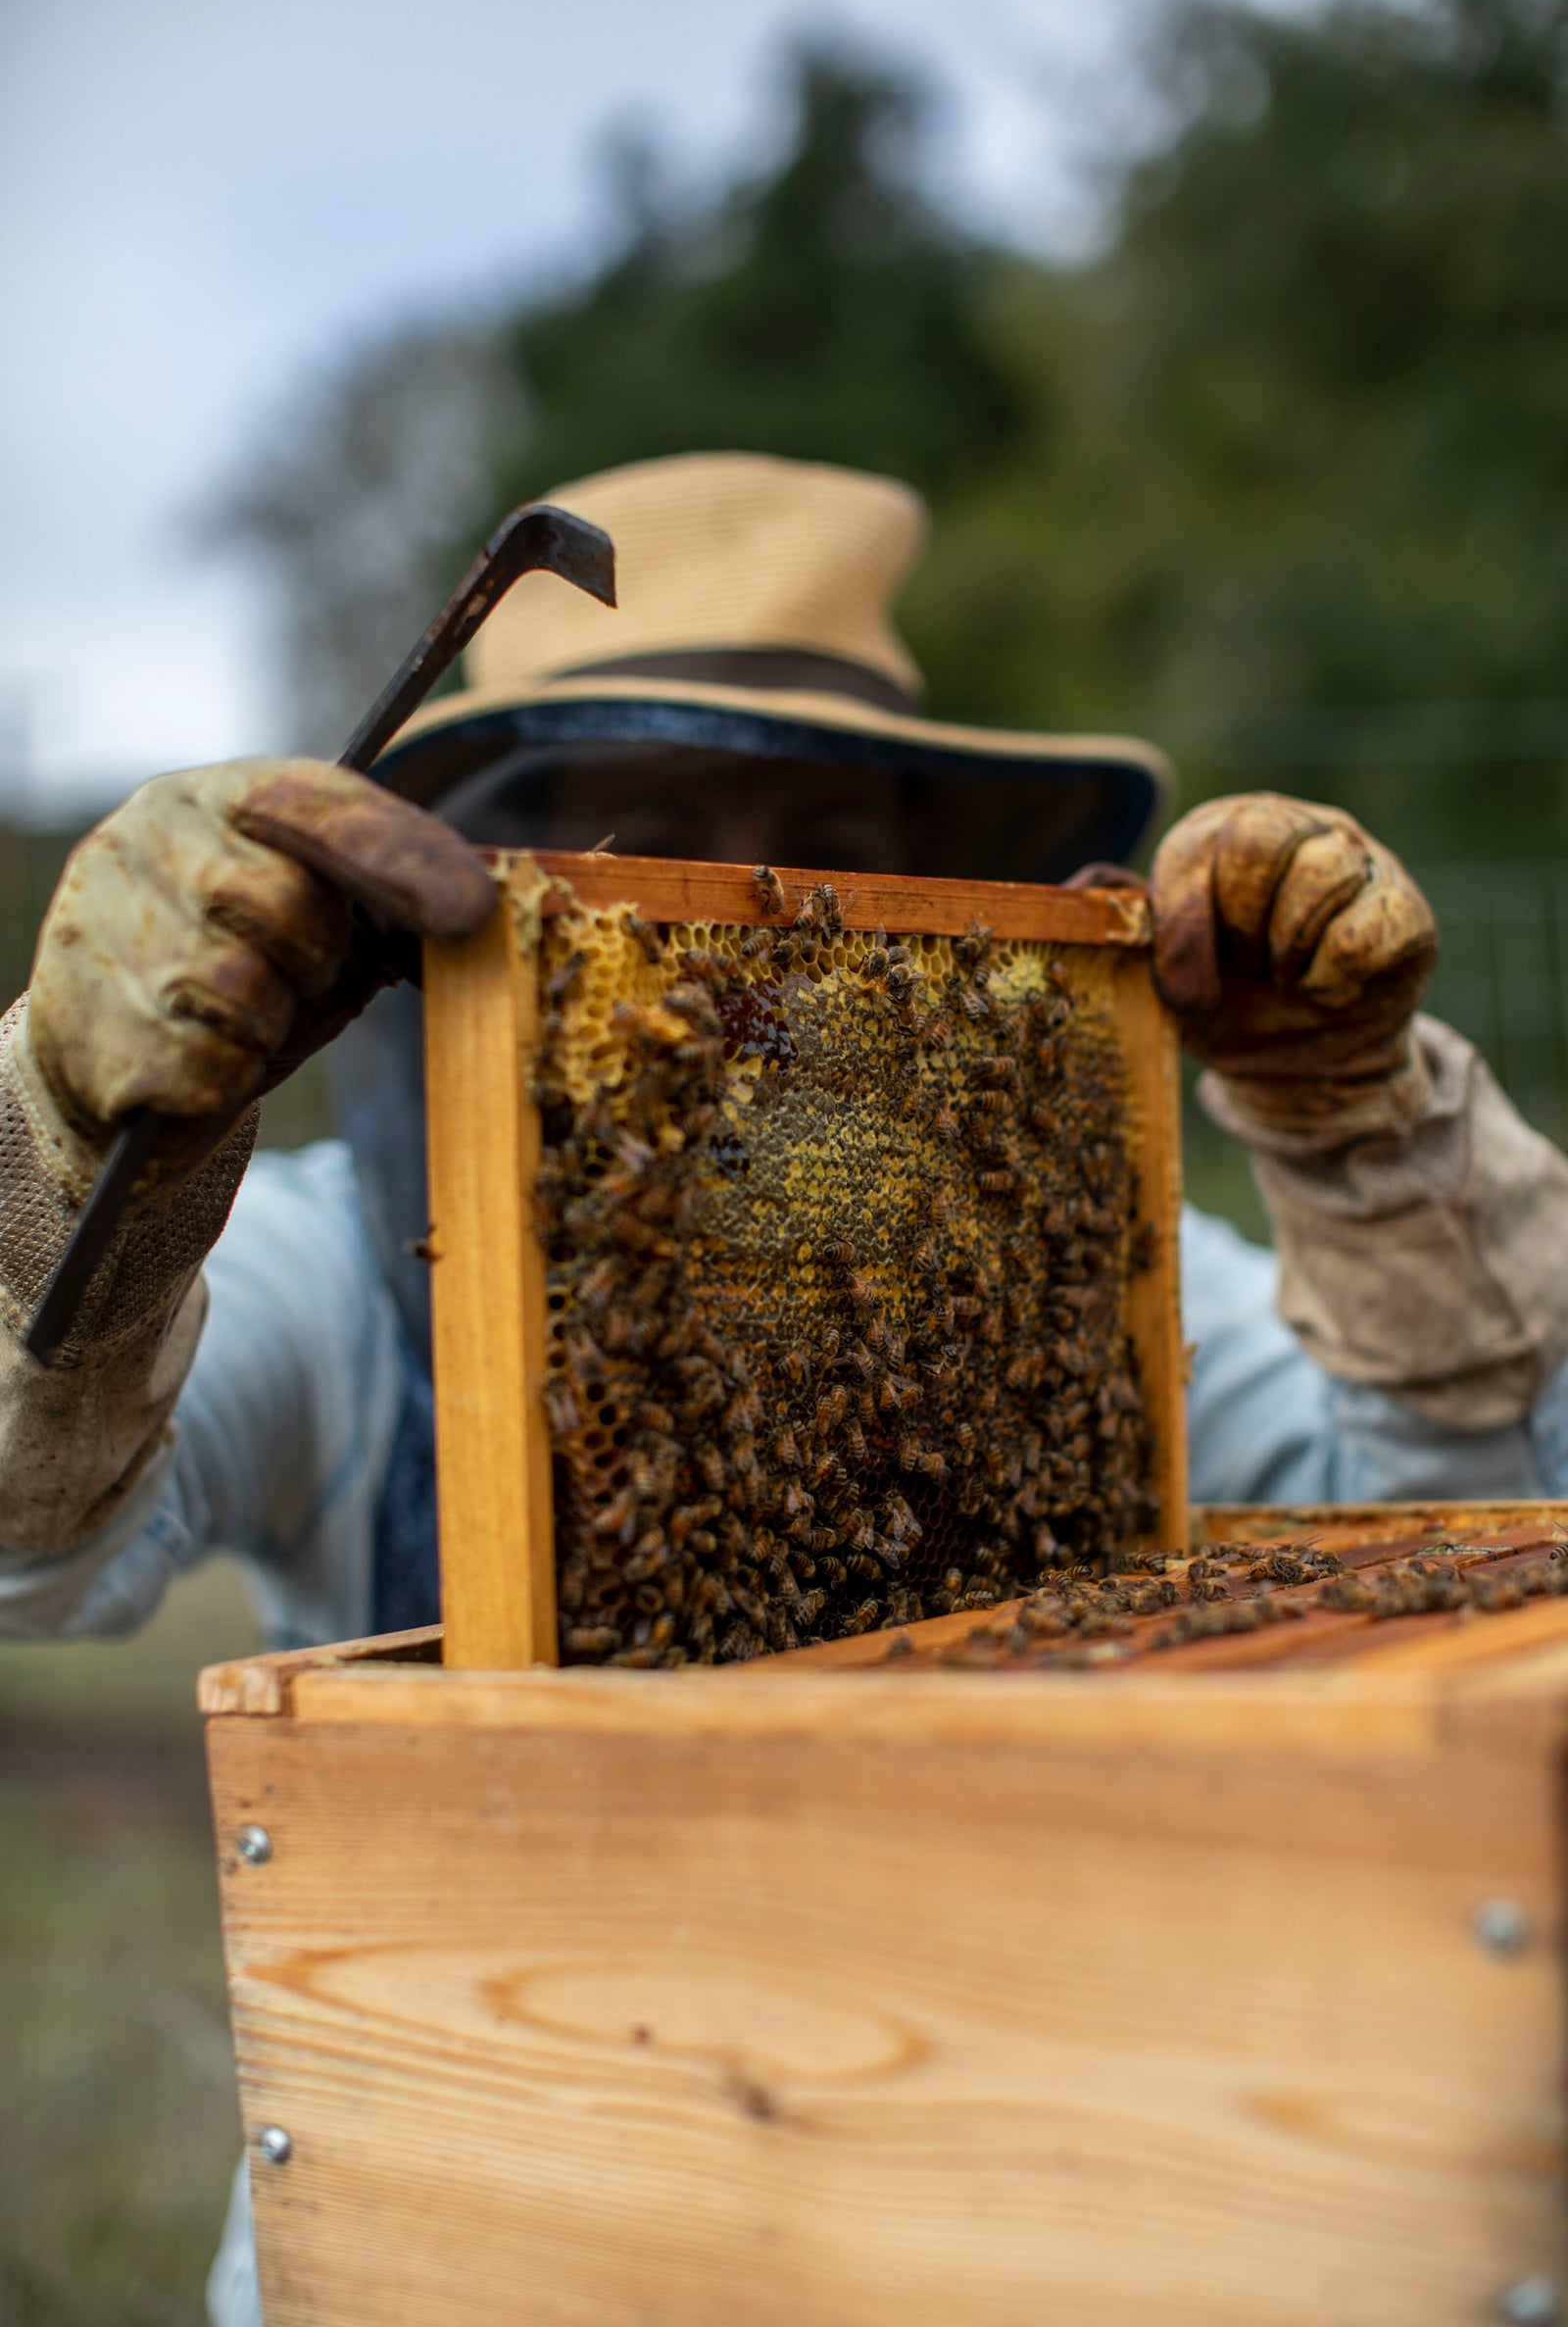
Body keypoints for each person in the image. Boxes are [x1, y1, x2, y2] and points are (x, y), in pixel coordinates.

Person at [4, 454, 1568, 2325]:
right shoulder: (323, 1276)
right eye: (661, 845)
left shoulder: (1052, 1265)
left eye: (818, 842)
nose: (750, 938)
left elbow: (1444, 1486)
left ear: (918, 887)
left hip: (953, 2181)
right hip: (475, 2210)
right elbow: (33, 1557)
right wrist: (70, 1151)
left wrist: (1358, 1145)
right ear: (471, 882)